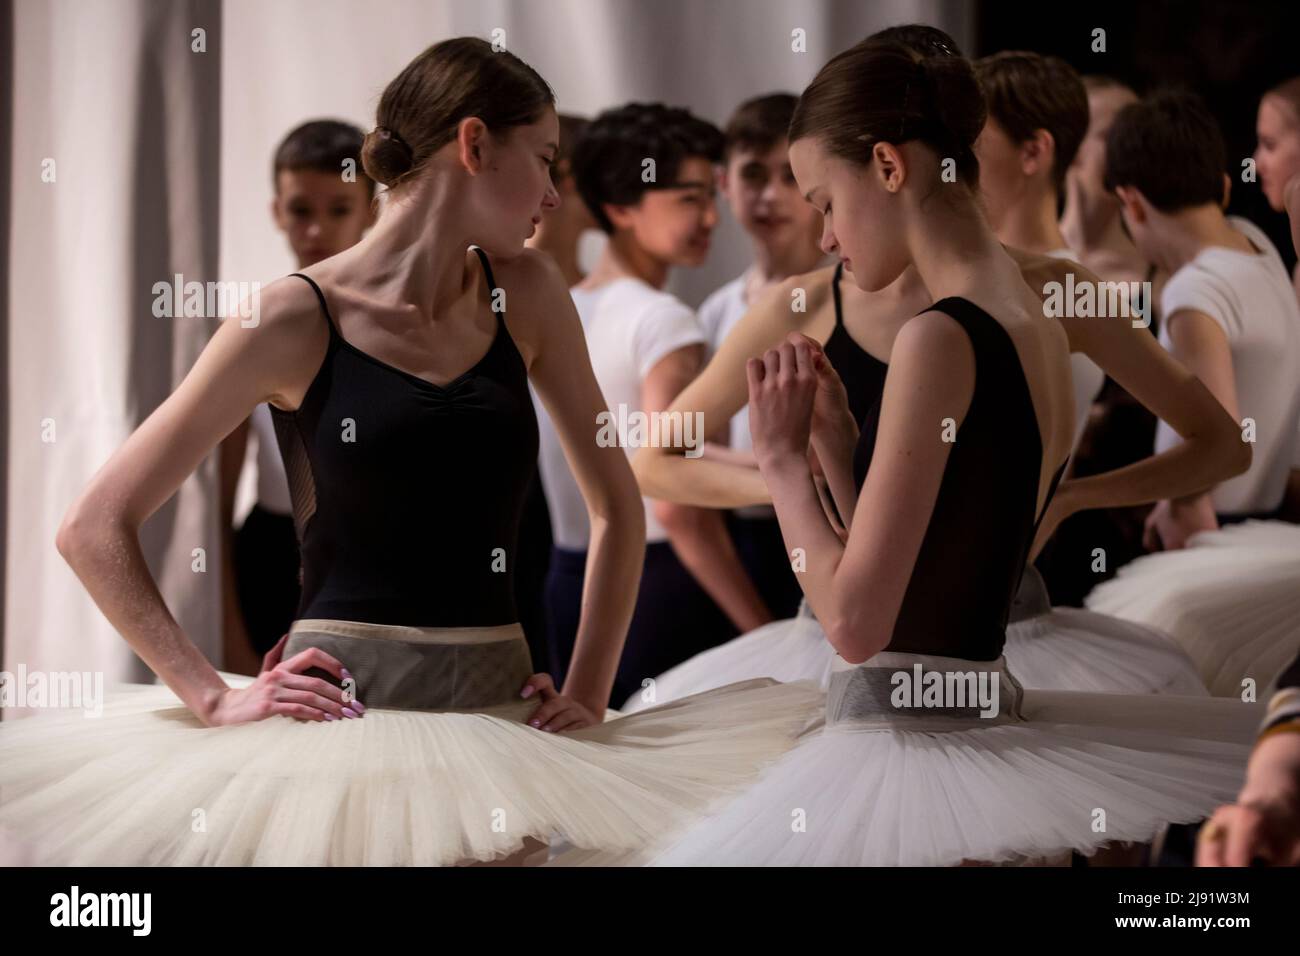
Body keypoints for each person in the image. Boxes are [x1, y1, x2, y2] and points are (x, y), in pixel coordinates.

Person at [0, 37, 821, 867]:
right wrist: (210, 695)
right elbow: (93, 527)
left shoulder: (528, 295)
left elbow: (617, 505)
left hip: (505, 719)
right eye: (541, 160)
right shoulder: (288, 317)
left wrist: (589, 693)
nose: (550, 192)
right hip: (344, 728)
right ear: (473, 145)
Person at [563, 38, 1261, 867]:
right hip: (972, 705)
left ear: (889, 167)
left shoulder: (942, 336)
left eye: (826, 202)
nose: (823, 236)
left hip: (907, 731)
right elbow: (918, 571)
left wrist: (785, 461)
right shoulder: (1028, 314)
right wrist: (840, 451)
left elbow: (856, 626)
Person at [536, 102, 770, 706]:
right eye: (689, 199)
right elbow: (674, 500)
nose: (712, 218)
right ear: (619, 208)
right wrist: (764, 632)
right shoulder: (664, 321)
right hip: (659, 583)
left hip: (567, 577)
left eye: (711, 197)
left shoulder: (557, 309)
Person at [1087, 91, 1300, 697]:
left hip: (1218, 537)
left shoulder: (1194, 294)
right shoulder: (1255, 244)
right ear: (1222, 187)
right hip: (1271, 530)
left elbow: (1214, 442)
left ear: (1131, 202)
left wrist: (1172, 507)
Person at [220, 120, 377, 675]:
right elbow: (218, 503)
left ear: (371, 210)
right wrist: (232, 645)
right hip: (269, 556)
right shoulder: (253, 329)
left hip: (370, 558)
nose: (316, 229)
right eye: (300, 209)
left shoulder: (404, 329)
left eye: (338, 209)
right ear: (276, 212)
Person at [699, 92, 827, 622]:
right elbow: (682, 443)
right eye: (753, 175)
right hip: (746, 535)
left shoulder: (844, 296)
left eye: (790, 176)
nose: (771, 195)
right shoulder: (717, 309)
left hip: (833, 529)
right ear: (724, 184)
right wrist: (774, 462)